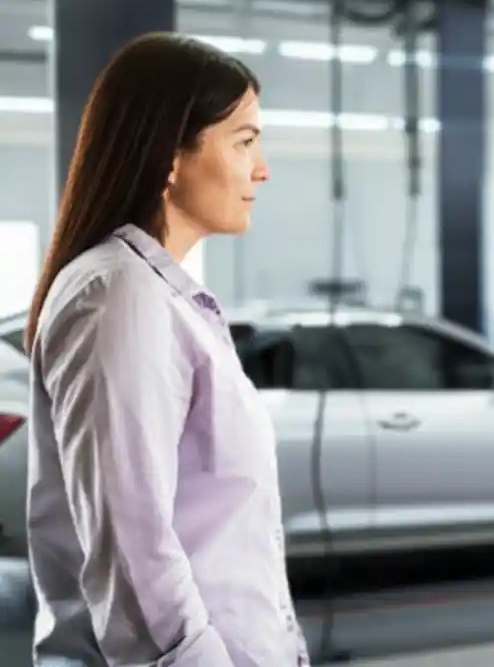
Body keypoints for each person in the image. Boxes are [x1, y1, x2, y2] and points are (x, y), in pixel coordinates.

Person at [23, 34, 308, 666]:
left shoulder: (158, 294)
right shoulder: (117, 296)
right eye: (244, 141)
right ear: (171, 156)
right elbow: (134, 551)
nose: (262, 169)